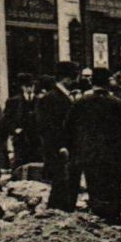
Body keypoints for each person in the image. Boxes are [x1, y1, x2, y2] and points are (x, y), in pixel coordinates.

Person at [63, 67, 121, 222]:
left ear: (92, 82)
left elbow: (68, 129)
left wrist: (77, 152)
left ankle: (98, 226)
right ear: (108, 82)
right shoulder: (119, 104)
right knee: (113, 191)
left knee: (95, 191)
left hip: (89, 157)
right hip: (114, 158)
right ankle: (113, 222)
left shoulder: (80, 103)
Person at [39, 61, 78, 210]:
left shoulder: (63, 96)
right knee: (61, 185)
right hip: (60, 150)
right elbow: (48, 127)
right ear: (66, 78)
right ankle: (58, 214)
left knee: (67, 185)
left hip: (67, 149)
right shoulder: (51, 98)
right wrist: (61, 146)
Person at [4, 72, 41, 170]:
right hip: (21, 139)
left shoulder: (40, 101)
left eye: (31, 86)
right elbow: (6, 119)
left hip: (37, 139)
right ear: (22, 87)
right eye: (27, 86)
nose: (29, 89)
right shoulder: (13, 101)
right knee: (20, 164)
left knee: (36, 164)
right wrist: (14, 130)